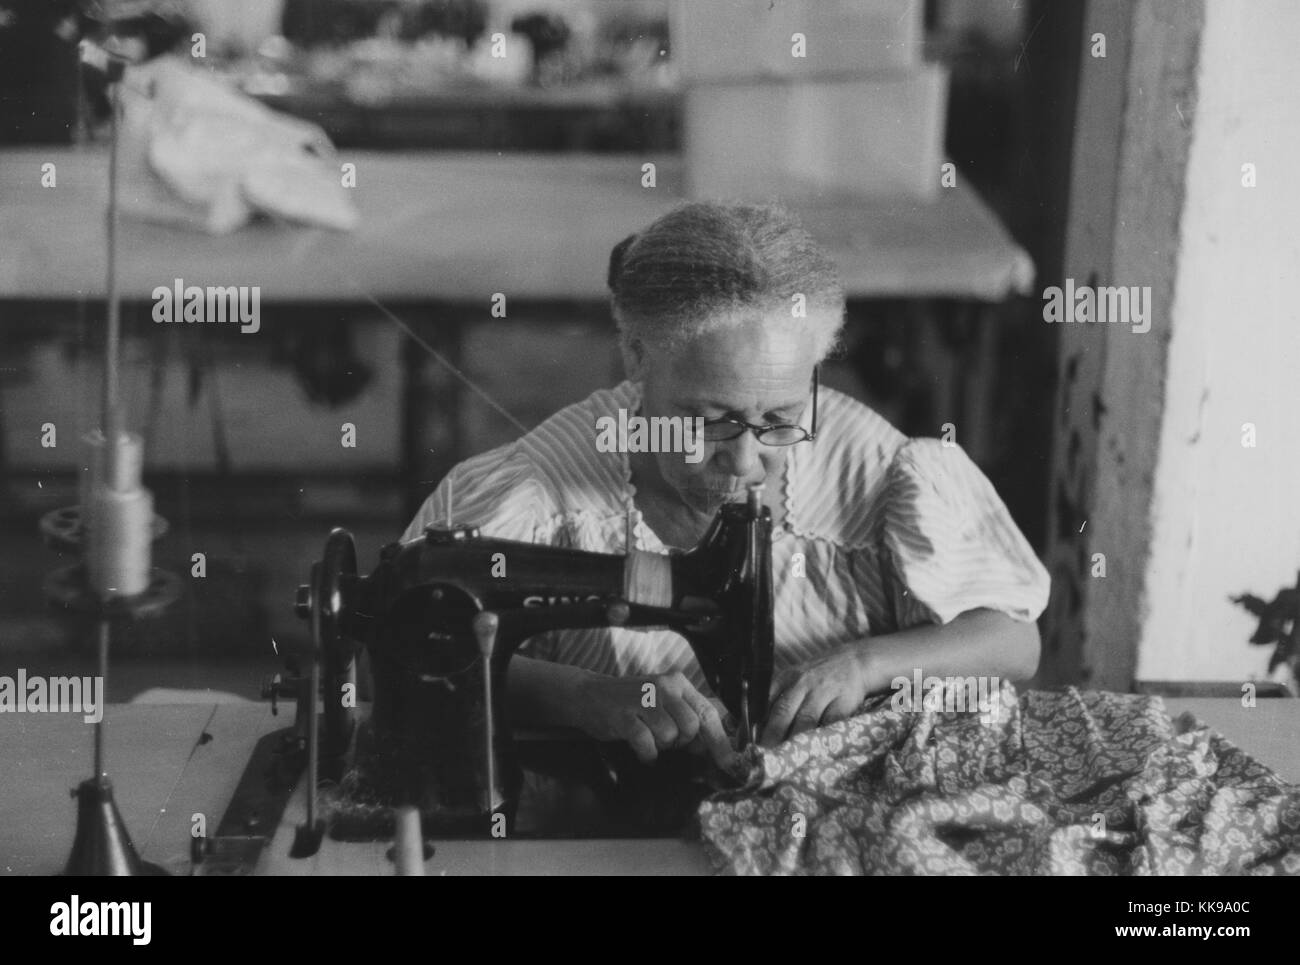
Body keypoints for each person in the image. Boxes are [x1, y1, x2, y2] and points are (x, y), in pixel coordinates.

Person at [402, 201, 1049, 770]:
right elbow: (410, 647)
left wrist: (867, 663)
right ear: (635, 355)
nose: (744, 460)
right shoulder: (541, 487)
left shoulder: (878, 470)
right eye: (709, 420)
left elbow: (1014, 641)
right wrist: (580, 695)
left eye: (781, 419)